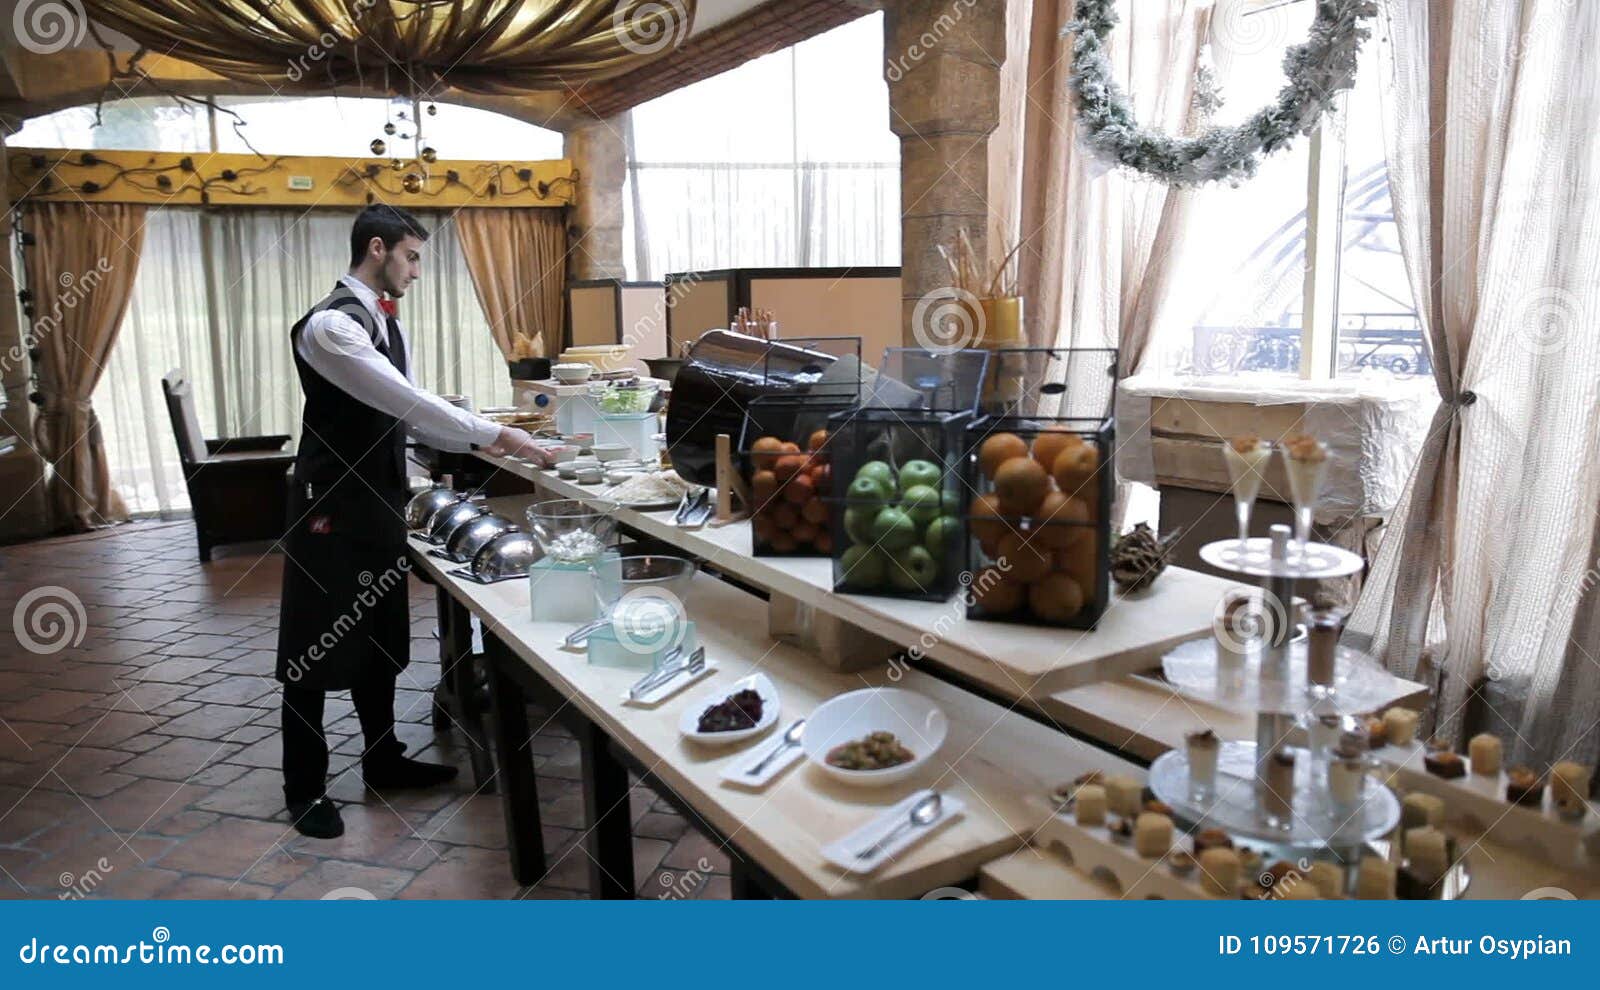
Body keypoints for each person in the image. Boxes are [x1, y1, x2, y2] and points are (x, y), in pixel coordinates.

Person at [275, 204, 550, 838]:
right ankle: (305, 789)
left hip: (376, 501)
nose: (417, 271)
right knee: (311, 653)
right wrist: (502, 437)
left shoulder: (382, 321)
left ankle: (383, 760)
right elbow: (406, 401)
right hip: (329, 509)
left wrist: (470, 447)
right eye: (413, 256)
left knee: (378, 641)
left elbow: (407, 415)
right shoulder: (331, 328)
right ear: (378, 249)